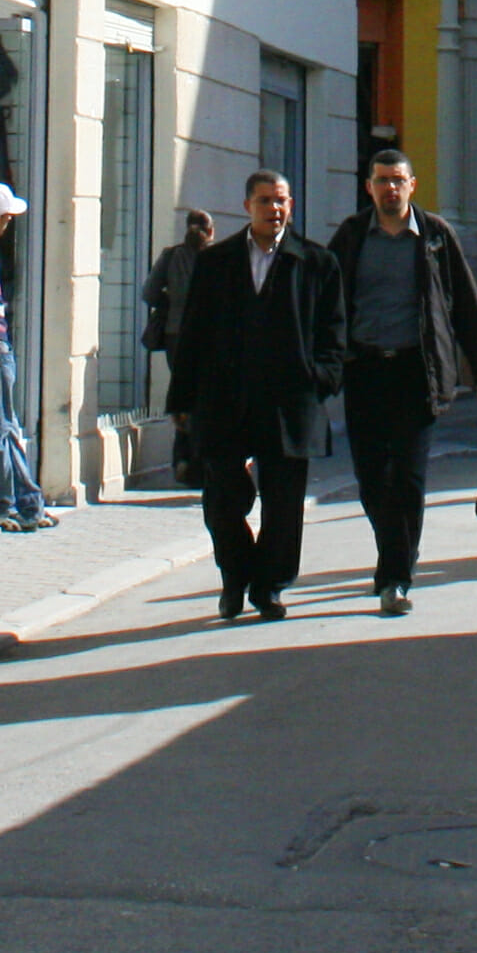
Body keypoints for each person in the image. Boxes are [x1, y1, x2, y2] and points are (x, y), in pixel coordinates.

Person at [321, 148, 477, 616]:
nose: (390, 188)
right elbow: (325, 302)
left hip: (417, 372)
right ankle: (395, 553)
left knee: (409, 478)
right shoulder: (353, 236)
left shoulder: (436, 236)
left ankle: (394, 575)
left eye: (398, 180)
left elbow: (464, 303)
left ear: (412, 185)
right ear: (370, 187)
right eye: (382, 180)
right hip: (364, 370)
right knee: (372, 477)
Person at [167, 169, 345, 621]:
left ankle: (270, 587)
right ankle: (235, 575)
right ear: (248, 206)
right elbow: (192, 334)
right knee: (221, 499)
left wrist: (320, 378)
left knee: (284, 505)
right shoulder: (216, 262)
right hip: (226, 399)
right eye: (265, 200)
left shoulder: (317, 263)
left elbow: (334, 332)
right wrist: (182, 400)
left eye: (282, 200)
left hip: (290, 400)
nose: (275, 208)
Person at [0, 181, 54, 531]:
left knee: (4, 427)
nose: (9, 223)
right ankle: (2, 504)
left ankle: (27, 503)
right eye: (6, 217)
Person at [141, 209, 215, 487]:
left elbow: (148, 293)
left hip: (176, 336)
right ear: (211, 231)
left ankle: (182, 460)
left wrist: (170, 297)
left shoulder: (171, 256)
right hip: (210, 338)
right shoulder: (219, 258)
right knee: (206, 399)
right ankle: (202, 462)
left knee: (184, 397)